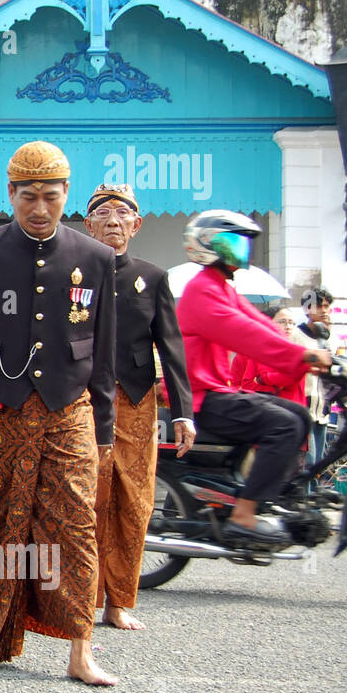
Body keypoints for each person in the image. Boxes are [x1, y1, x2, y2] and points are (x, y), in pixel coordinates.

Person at [0, 140, 118, 685]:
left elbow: (103, 351)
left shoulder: (96, 258)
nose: (40, 208)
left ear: (68, 197)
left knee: (75, 526)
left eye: (52, 196)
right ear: (11, 195)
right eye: (29, 196)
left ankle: (80, 649)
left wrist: (104, 426)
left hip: (70, 409)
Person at [175, 211, 331, 542]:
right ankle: (245, 514)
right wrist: (299, 355)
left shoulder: (222, 288)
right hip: (202, 398)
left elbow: (261, 324)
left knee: (299, 415)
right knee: (284, 425)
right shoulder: (201, 291)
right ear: (206, 245)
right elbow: (245, 334)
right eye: (232, 242)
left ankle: (266, 496)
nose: (240, 250)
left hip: (218, 392)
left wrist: (304, 356)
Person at [82, 184, 194, 632]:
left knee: (133, 500)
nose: (113, 221)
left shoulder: (152, 276)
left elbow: (172, 347)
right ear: (87, 223)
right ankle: (77, 600)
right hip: (81, 399)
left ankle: (118, 601)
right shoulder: (71, 271)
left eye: (123, 213)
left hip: (135, 400)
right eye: (103, 214)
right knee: (83, 498)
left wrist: (182, 412)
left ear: (137, 223)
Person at [291, 287, 339, 474]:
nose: (324, 310)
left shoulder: (330, 338)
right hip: (304, 405)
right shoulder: (296, 335)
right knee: (307, 461)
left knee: (319, 463)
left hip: (323, 408)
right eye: (319, 306)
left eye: (327, 306)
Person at [232, 309, 307, 405]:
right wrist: (275, 388)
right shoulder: (255, 353)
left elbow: (292, 377)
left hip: (294, 408)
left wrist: (263, 379)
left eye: (291, 323)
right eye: (282, 322)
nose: (288, 327)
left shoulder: (298, 353)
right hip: (265, 409)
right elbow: (246, 385)